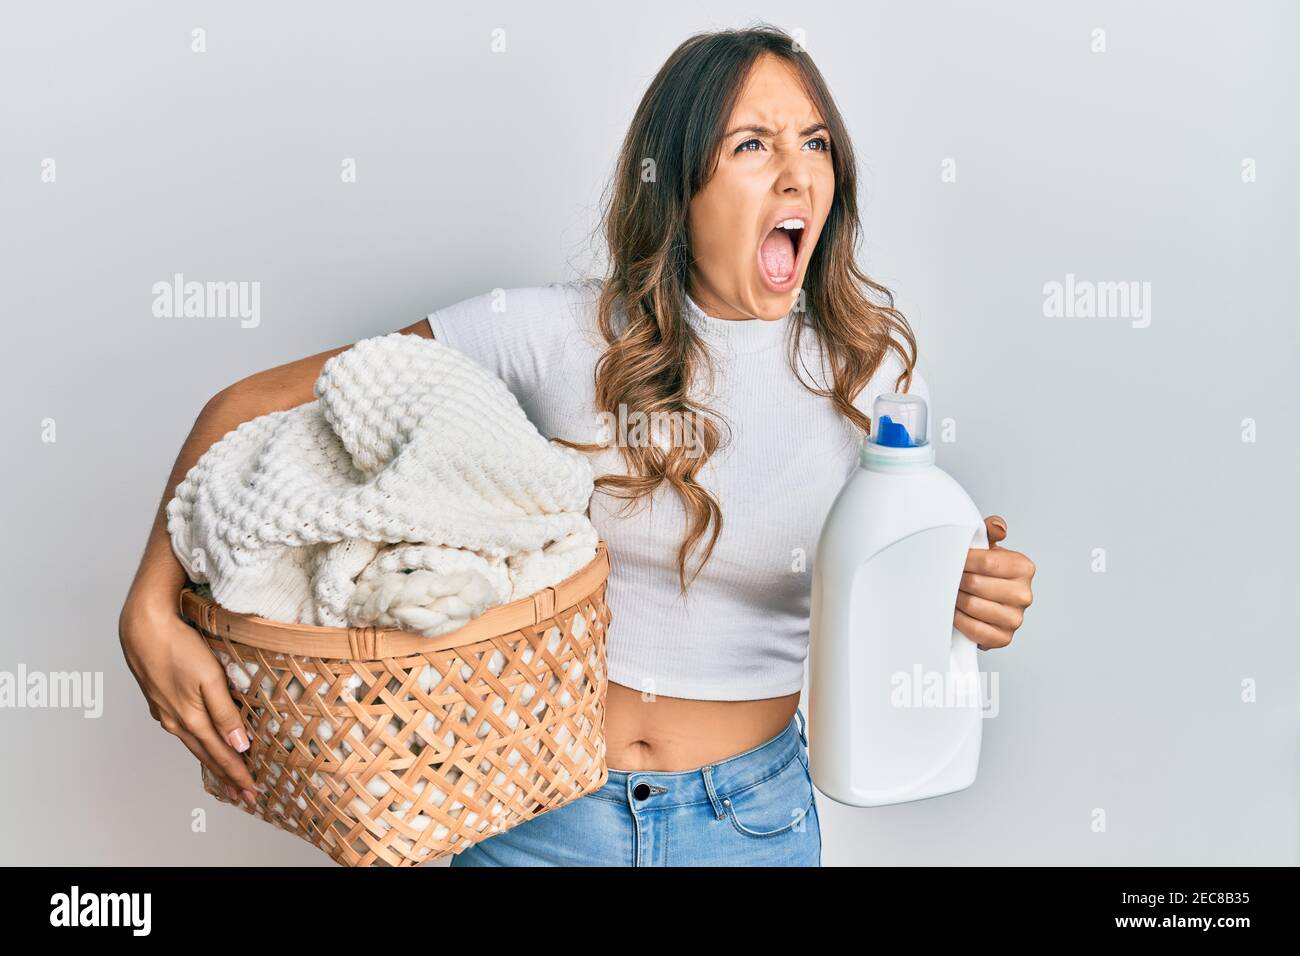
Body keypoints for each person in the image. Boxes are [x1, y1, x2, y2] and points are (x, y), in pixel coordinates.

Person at [118, 25, 1036, 867]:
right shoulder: (545, 335)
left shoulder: (867, 379)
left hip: (751, 827)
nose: (797, 175)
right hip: (533, 820)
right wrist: (149, 608)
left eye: (816, 142)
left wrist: (957, 593)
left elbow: (890, 598)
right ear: (678, 182)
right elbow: (246, 405)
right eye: (752, 144)